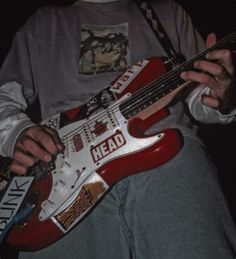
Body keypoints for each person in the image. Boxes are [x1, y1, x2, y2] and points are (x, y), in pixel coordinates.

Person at [0, 0, 236, 258]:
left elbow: (201, 95)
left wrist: (224, 96)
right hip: (60, 166)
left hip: (169, 154)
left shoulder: (167, 11)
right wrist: (17, 132)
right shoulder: (43, 22)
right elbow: (4, 97)